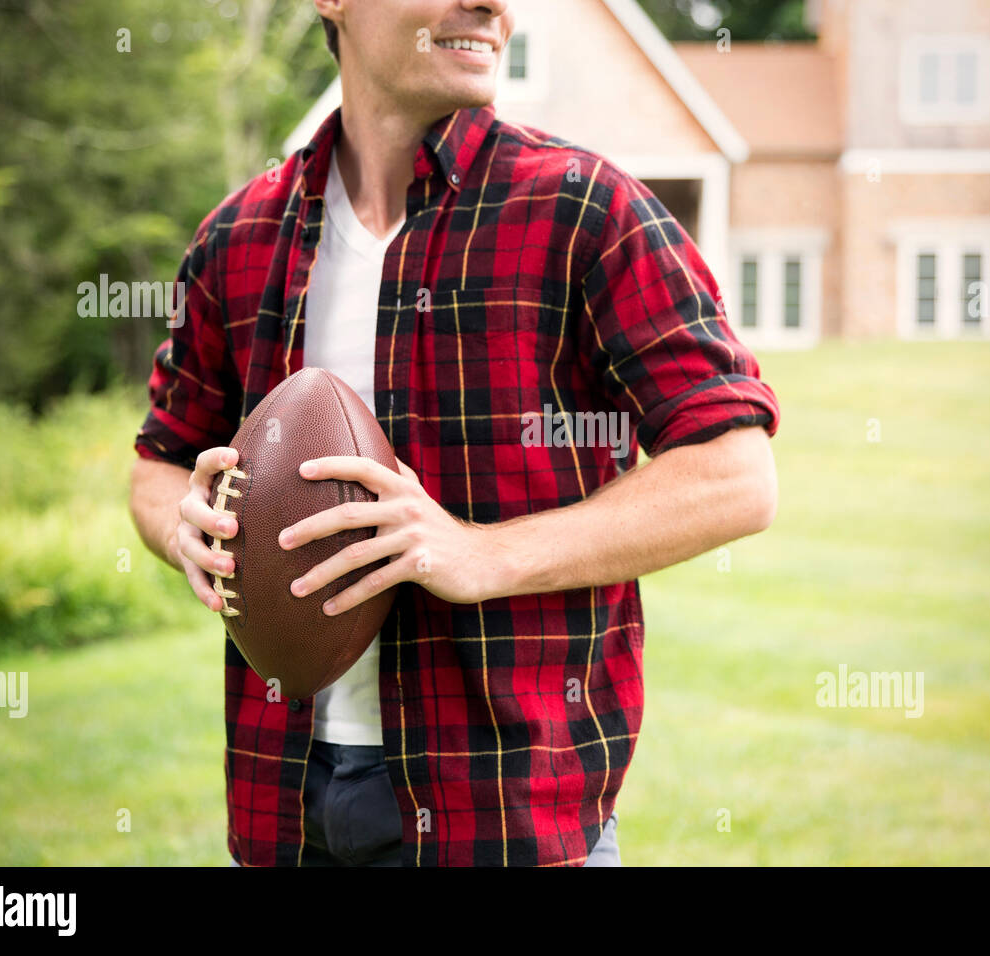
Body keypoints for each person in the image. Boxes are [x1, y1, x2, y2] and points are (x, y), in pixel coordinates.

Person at [129, 0, 780, 867]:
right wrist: (185, 527)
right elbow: (159, 464)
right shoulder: (239, 238)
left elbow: (736, 474)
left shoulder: (585, 210)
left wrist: (479, 553)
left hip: (505, 821)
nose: (493, 4)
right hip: (282, 809)